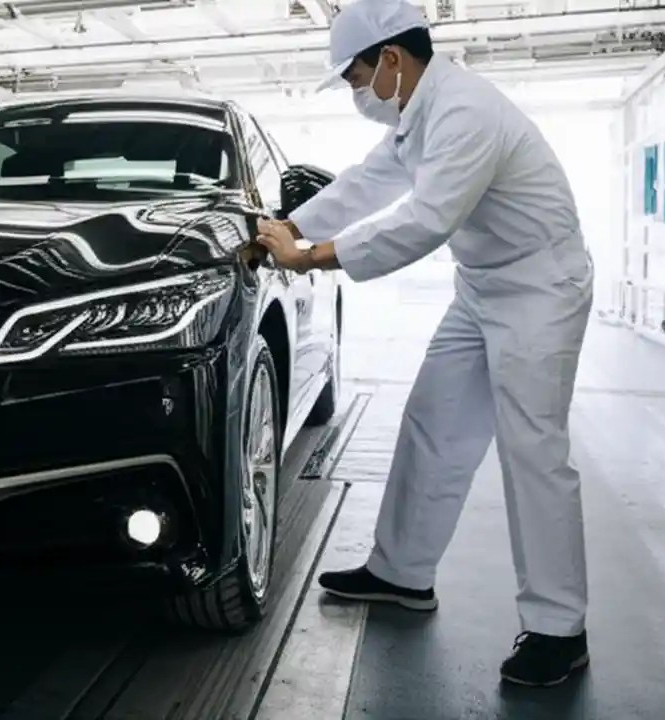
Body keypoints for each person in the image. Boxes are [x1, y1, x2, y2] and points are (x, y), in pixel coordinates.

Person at [252, 0, 594, 688]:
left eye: (354, 78)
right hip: (482, 287)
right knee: (434, 422)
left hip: (540, 287)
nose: (356, 92)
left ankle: (560, 629)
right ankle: (401, 572)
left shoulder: (466, 110)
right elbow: (365, 186)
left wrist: (312, 256)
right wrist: (278, 226)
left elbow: (428, 217)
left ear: (391, 60)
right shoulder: (417, 116)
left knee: (532, 449)